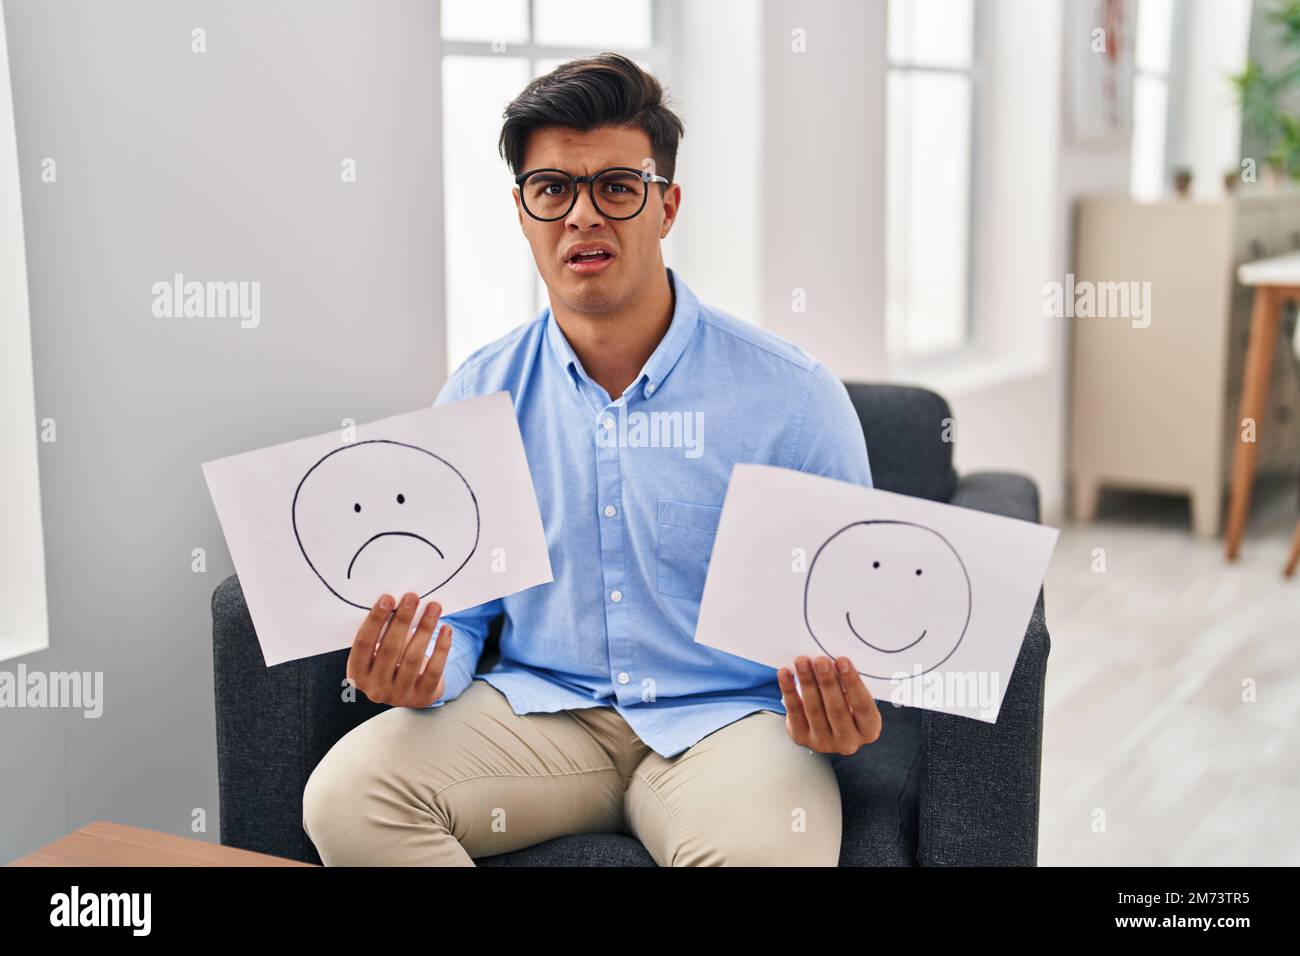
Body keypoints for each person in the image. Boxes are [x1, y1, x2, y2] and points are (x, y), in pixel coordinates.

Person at [303, 52, 879, 866]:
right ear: (523, 210)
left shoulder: (793, 397)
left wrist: (847, 703)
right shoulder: (479, 393)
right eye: (553, 190)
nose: (583, 215)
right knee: (345, 798)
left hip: (730, 725)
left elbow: (846, 621)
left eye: (616, 186)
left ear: (666, 205)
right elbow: (459, 620)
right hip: (541, 715)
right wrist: (422, 670)